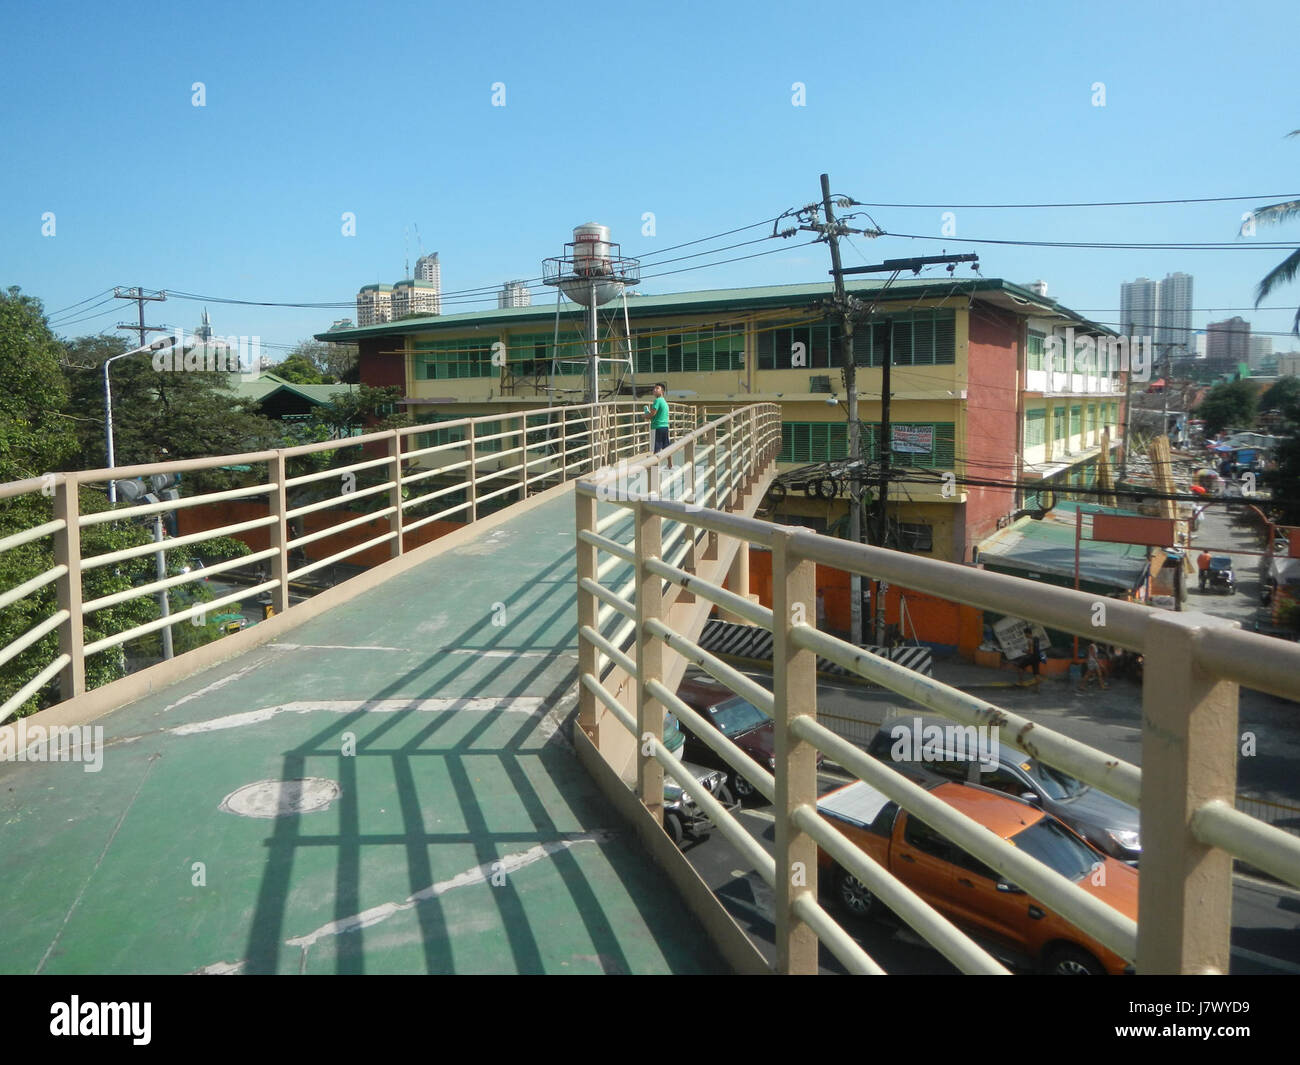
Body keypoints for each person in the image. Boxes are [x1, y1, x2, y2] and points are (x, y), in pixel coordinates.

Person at [644, 382, 669, 454]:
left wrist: (645, 415)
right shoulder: (664, 401)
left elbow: (652, 415)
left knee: (655, 450)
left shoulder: (657, 401)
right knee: (666, 447)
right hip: (665, 427)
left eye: (657, 388)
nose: (655, 390)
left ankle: (655, 465)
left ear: (662, 391)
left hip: (657, 427)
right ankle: (670, 464)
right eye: (654, 388)